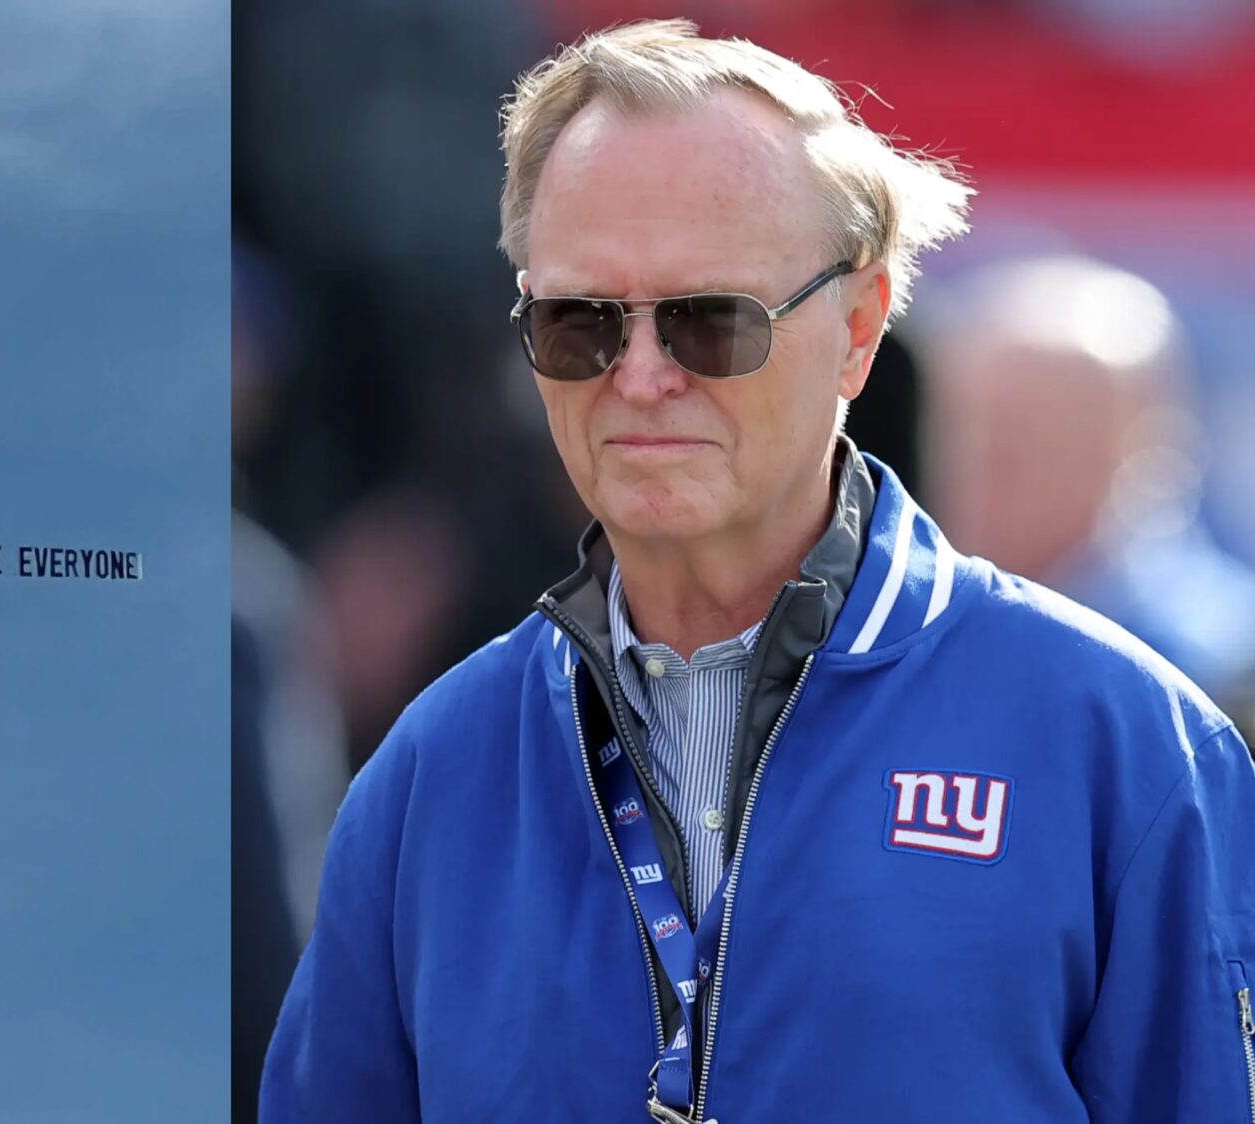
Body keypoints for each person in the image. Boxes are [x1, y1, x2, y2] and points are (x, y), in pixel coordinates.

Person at [259, 19, 1255, 1123]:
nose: (640, 376)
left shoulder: (1122, 744)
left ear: (859, 328)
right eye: (581, 323)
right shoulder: (430, 773)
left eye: (709, 321)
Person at [917, 253, 1255, 725]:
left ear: (1141, 446)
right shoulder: (900, 621)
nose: (983, 466)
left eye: (1036, 434)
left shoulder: (1224, 664)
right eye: (963, 433)